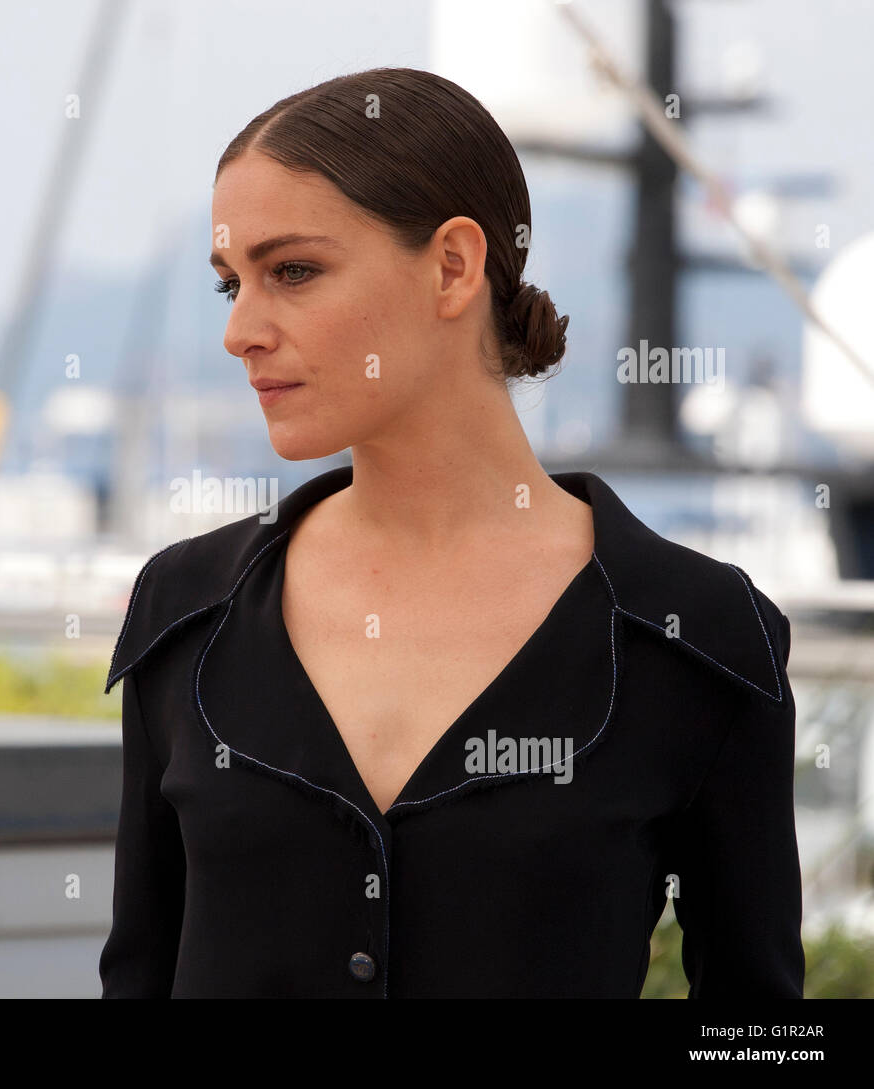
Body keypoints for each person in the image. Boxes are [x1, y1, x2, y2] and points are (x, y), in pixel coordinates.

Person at [99, 67, 804, 998]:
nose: (240, 329)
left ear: (454, 266)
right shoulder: (185, 611)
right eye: (233, 282)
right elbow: (138, 976)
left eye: (293, 272)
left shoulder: (699, 634)